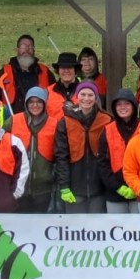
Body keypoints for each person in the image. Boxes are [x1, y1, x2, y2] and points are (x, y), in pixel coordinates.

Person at [54, 82, 113, 213]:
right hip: (74, 189)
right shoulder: (65, 122)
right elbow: (61, 156)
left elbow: (110, 155)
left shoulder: (106, 120)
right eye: (83, 94)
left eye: (91, 95)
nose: (86, 98)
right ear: (77, 96)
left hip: (99, 189)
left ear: (96, 97)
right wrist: (64, 185)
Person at [6, 87, 57, 213]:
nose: (35, 105)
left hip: (43, 188)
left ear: (44, 104)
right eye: (31, 102)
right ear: (26, 104)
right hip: (17, 187)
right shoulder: (13, 121)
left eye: (39, 102)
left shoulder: (55, 124)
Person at [97, 89, 140, 214]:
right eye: (119, 104)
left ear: (133, 106)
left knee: (139, 231)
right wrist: (117, 187)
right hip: (114, 194)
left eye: (127, 103)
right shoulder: (107, 130)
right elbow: (102, 164)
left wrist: (139, 188)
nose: (123, 107)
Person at [0, 34, 54, 112]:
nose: (27, 49)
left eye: (30, 46)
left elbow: (55, 95)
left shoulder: (44, 71)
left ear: (34, 50)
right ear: (17, 50)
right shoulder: (5, 72)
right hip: (13, 120)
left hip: (40, 120)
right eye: (23, 46)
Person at [46, 52, 82, 122]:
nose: (66, 71)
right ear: (58, 70)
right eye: (63, 67)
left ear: (75, 70)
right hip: (54, 132)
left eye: (70, 67)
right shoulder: (47, 92)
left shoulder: (86, 91)